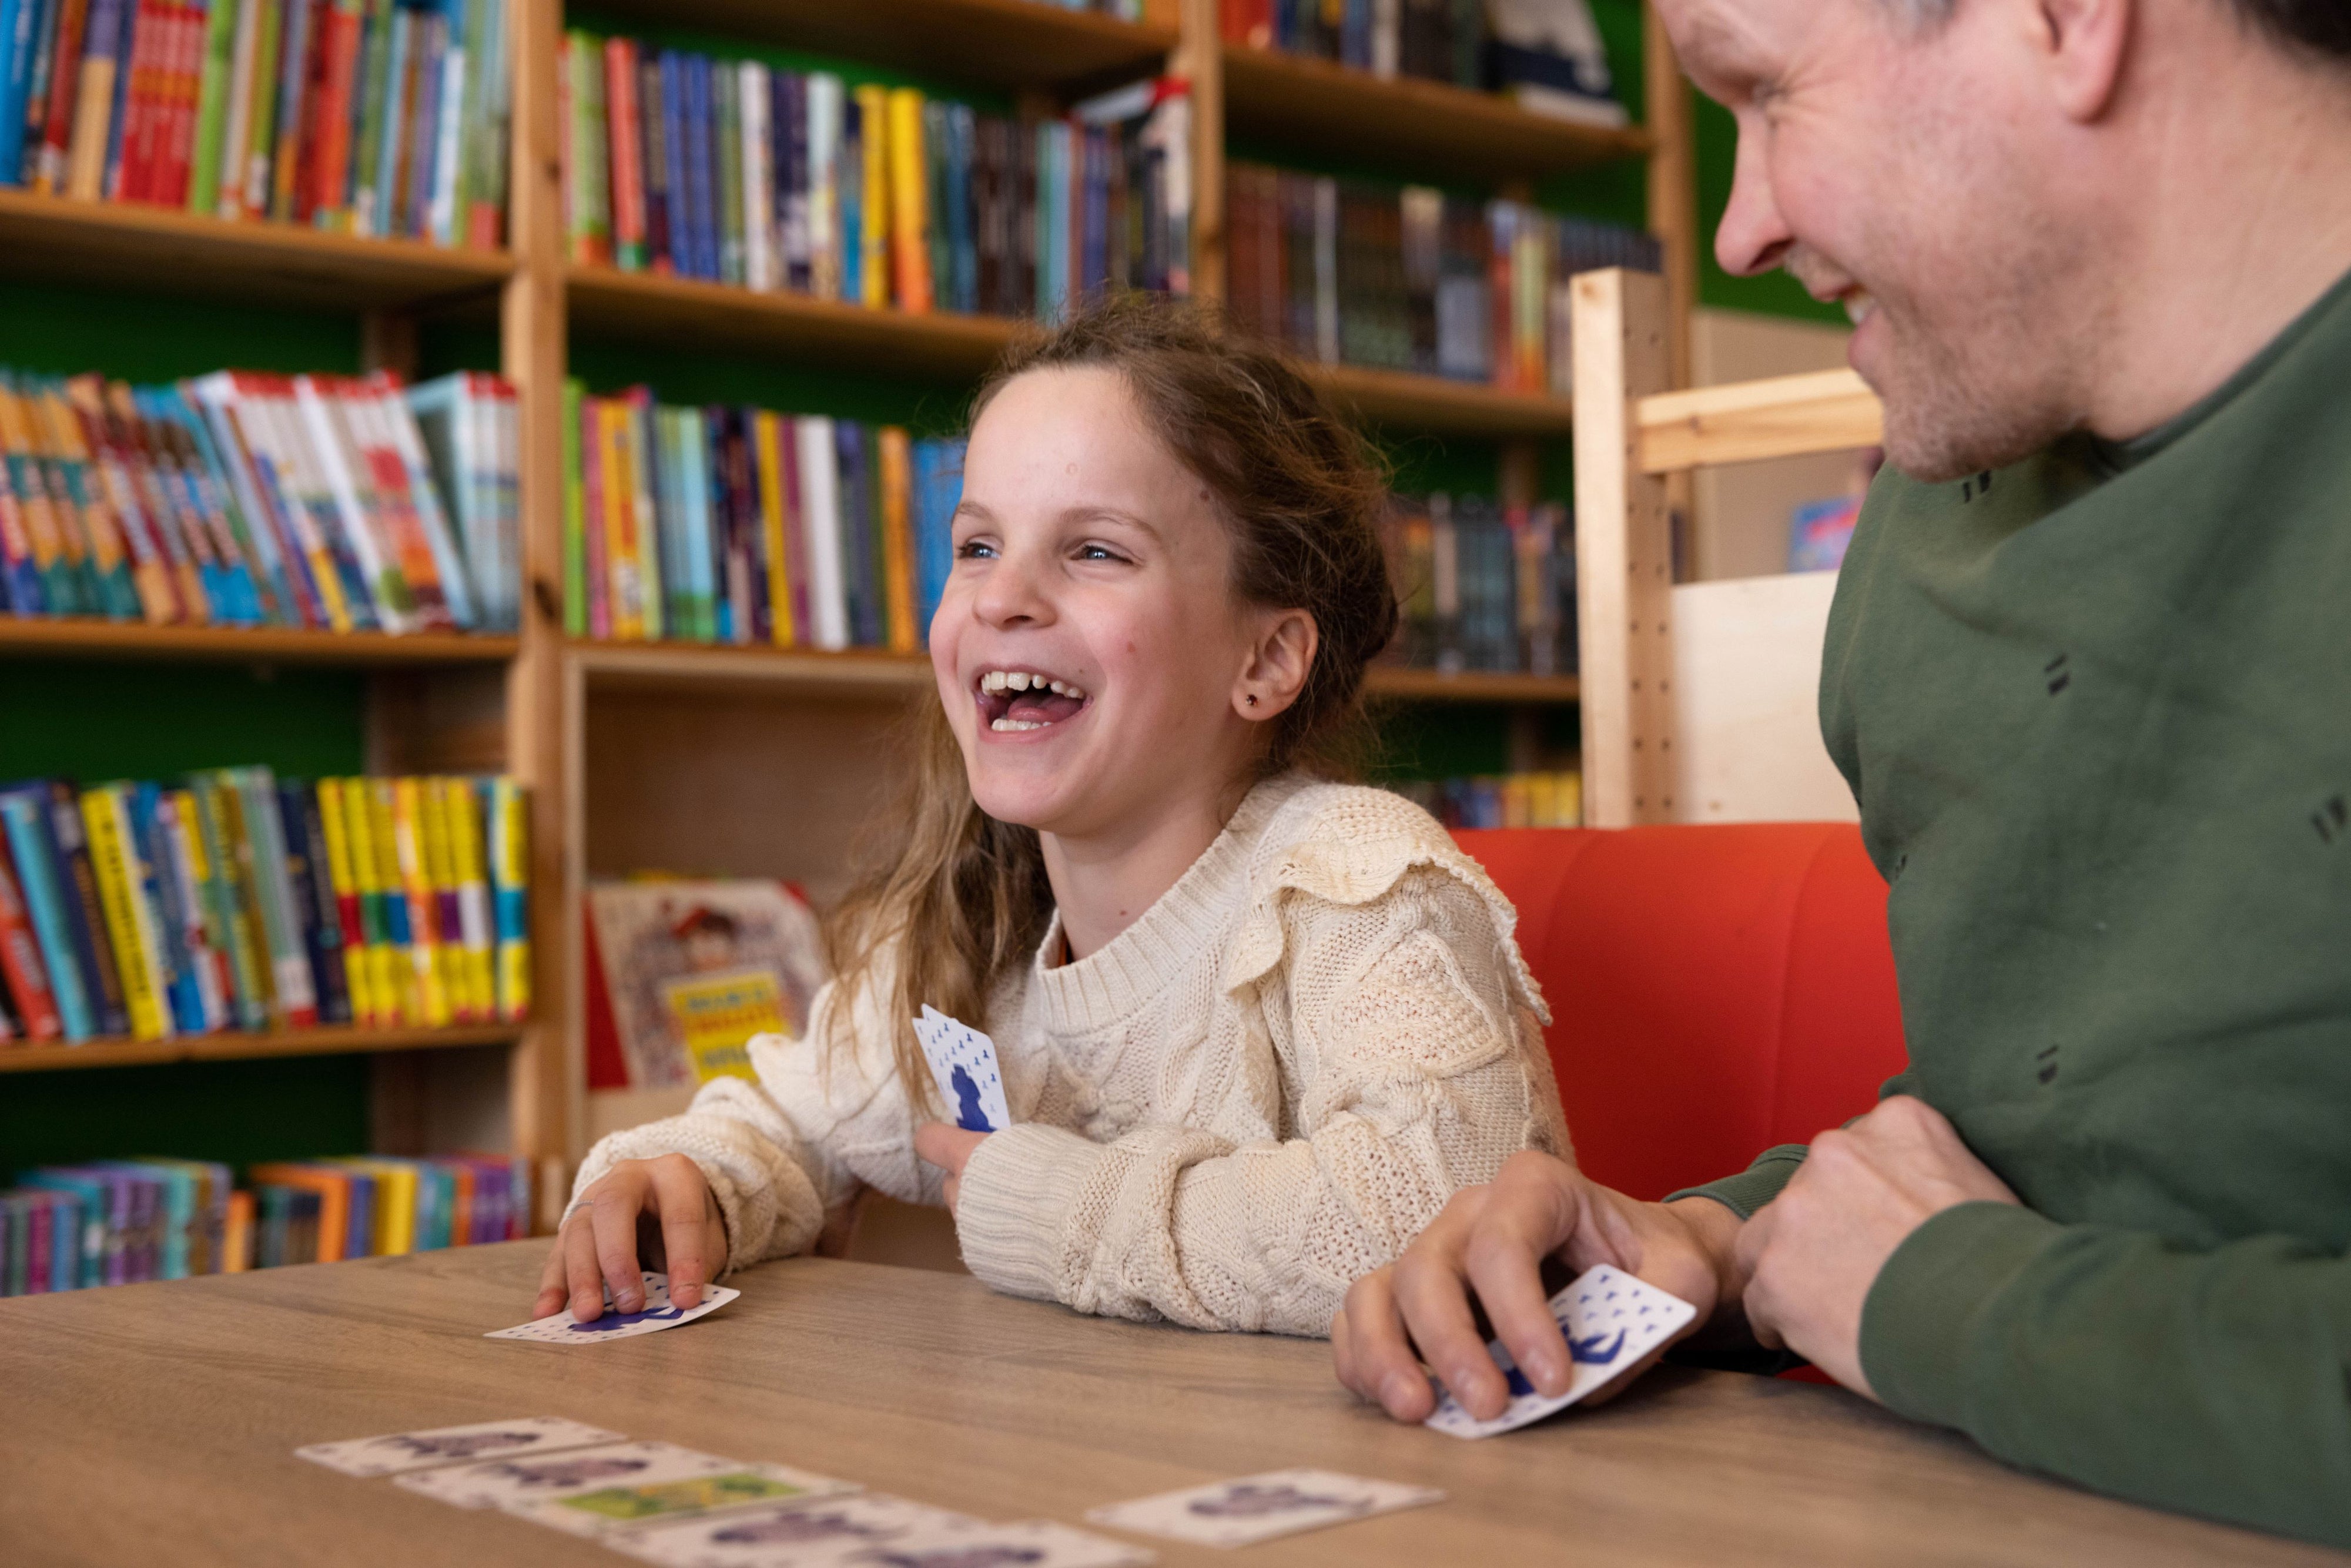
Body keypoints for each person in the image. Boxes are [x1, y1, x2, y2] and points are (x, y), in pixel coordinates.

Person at [1332, 0, 2351, 1549]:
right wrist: (1704, 1246)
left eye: (1761, 92)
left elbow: (1964, 1261)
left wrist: (1957, 1301)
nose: (1736, 231)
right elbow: (2041, 1142)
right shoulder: (1929, 525)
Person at [538, 295, 1568, 1338]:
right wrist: (687, 1180)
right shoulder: (973, 924)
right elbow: (787, 1117)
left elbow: (1441, 1219)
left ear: (1264, 661)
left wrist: (1048, 1204)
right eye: (978, 546)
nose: (1001, 598)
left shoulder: (1358, 881)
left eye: (1096, 552)